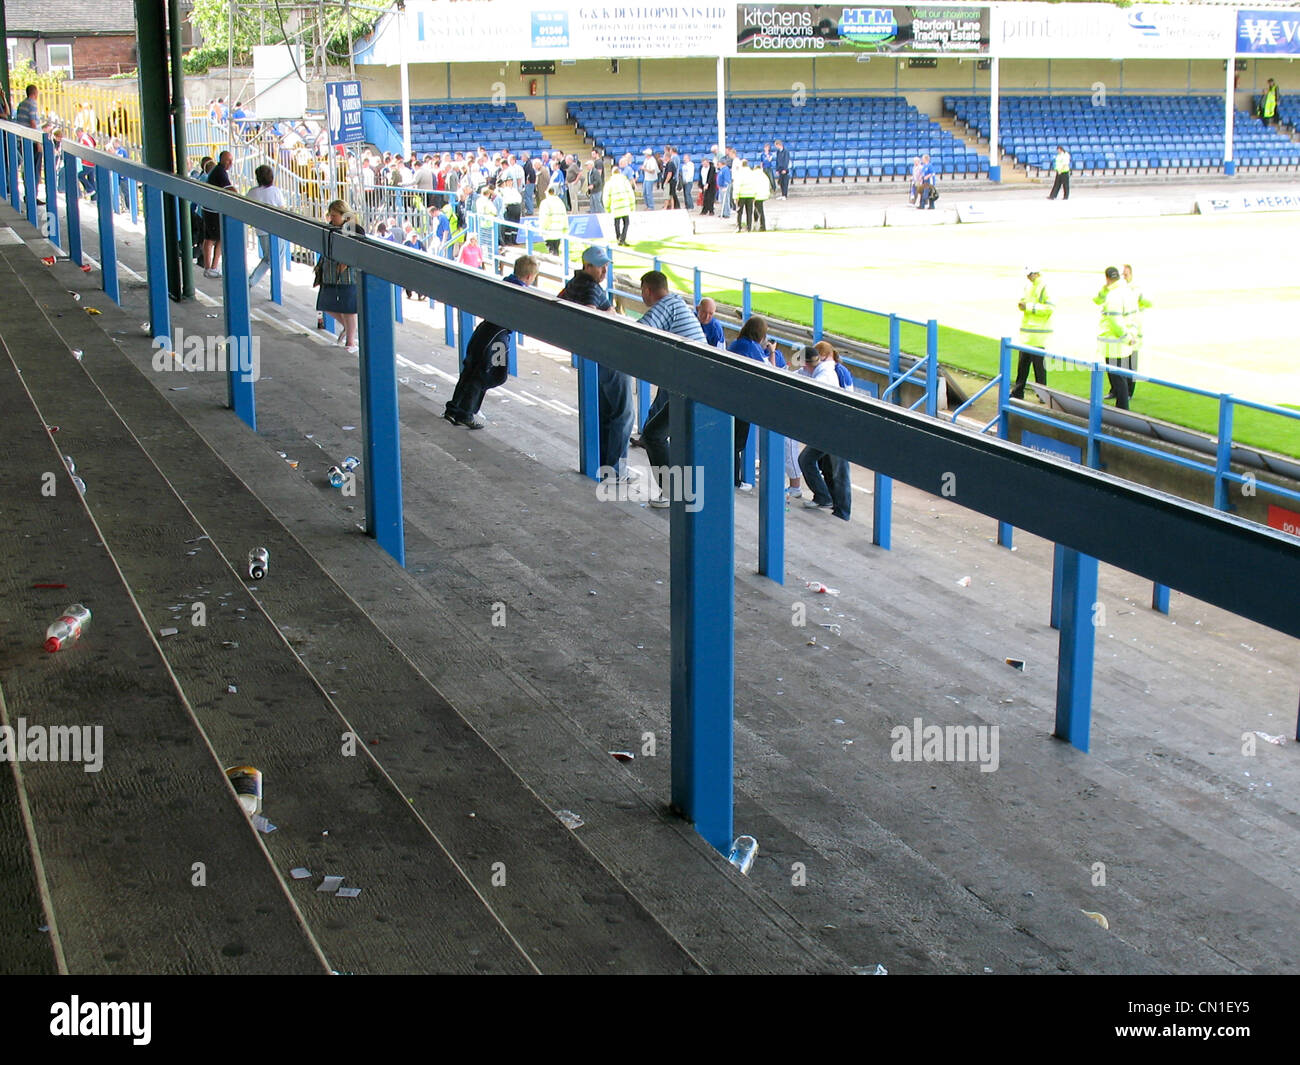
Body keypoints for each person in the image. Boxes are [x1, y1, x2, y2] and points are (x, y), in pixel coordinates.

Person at [559, 247, 636, 481]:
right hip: (607, 354)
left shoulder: (574, 283)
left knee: (606, 412)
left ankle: (605, 465)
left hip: (594, 357)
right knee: (624, 414)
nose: (604, 270)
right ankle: (615, 470)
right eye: (600, 266)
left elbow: (560, 300)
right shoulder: (590, 288)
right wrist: (611, 313)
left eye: (606, 265)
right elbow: (591, 318)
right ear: (587, 266)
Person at [443, 256, 540, 429]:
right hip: (498, 338)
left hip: (484, 332)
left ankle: (454, 408)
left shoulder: (504, 283)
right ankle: (465, 413)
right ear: (529, 277)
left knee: (471, 370)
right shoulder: (521, 292)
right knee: (494, 374)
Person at [636, 271, 707, 506]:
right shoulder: (677, 303)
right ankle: (675, 491)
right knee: (662, 434)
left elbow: (637, 333)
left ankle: (672, 493)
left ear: (647, 290)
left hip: (692, 384)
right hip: (693, 382)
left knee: (654, 435)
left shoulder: (666, 305)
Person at [727, 315, 784, 490]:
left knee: (733, 442)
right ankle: (733, 481)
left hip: (731, 398)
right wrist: (772, 352)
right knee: (736, 444)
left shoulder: (738, 344)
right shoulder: (750, 346)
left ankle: (732, 479)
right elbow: (772, 372)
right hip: (741, 402)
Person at [798, 344, 852, 521]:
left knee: (839, 471)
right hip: (826, 430)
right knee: (813, 462)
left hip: (838, 429)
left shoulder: (828, 373)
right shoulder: (818, 370)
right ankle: (826, 499)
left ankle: (841, 512)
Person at [314, 200, 363, 353]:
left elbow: (357, 249)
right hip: (330, 273)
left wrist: (346, 263)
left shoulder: (354, 229)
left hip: (347, 275)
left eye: (334, 216)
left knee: (348, 308)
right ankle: (348, 332)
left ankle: (350, 340)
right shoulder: (331, 228)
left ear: (344, 215)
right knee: (326, 304)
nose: (331, 219)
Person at [1095, 266, 1136, 410]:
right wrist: (1130, 335)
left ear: (1107, 278)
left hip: (1114, 344)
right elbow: (1133, 316)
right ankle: (1121, 409)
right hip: (1123, 343)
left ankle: (1123, 411)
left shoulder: (1113, 295)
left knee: (1118, 379)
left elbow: (1115, 321)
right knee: (1121, 378)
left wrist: (1125, 337)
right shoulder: (1127, 291)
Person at [1011, 266, 1054, 400]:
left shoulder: (1045, 287)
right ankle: (1018, 391)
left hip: (1039, 334)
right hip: (1027, 334)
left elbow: (1049, 308)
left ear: (1036, 273)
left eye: (1029, 274)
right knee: (1023, 365)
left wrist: (1028, 307)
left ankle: (1043, 395)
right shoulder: (1029, 286)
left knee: (1039, 367)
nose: (1028, 277)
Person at [245, 165, 285, 292]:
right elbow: (282, 209)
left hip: (261, 230)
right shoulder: (276, 191)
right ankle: (276, 288)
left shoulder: (252, 192)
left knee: (268, 258)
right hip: (277, 230)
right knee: (276, 259)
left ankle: (252, 281)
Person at [202, 150, 234, 278]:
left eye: (231, 160)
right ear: (221, 160)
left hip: (208, 208)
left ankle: (208, 267)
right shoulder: (220, 172)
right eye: (228, 160)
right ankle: (213, 267)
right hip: (213, 210)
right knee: (218, 238)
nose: (230, 163)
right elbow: (230, 189)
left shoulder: (217, 171)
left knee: (209, 238)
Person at [1121, 264, 1151, 399]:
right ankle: (1118, 391)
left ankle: (1129, 392)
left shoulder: (1137, 289)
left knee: (1131, 362)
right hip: (1125, 328)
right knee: (1121, 362)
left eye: (1125, 274)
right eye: (1123, 274)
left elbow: (1148, 303)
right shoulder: (1123, 288)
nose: (1124, 276)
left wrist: (1140, 301)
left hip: (1134, 329)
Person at [602, 164, 635, 246]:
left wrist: (607, 208)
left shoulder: (609, 183)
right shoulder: (625, 181)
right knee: (626, 223)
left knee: (616, 223)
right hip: (624, 206)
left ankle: (618, 238)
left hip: (615, 206)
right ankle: (623, 238)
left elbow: (606, 196)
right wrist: (632, 205)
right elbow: (630, 193)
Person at [539, 185, 568, 254]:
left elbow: (544, 218)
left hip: (549, 232)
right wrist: (565, 230)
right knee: (556, 250)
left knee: (551, 251)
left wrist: (542, 230)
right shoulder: (560, 202)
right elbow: (564, 217)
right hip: (558, 231)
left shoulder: (545, 203)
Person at [734, 160, 755, 231]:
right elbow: (755, 184)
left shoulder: (739, 173)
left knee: (739, 212)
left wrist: (735, 197)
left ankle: (738, 227)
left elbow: (737, 186)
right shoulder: (752, 173)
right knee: (749, 212)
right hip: (750, 195)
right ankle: (749, 227)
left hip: (741, 195)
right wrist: (754, 195)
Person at [751, 163, 770, 232]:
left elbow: (752, 185)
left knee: (760, 211)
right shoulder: (764, 175)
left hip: (757, 194)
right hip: (764, 194)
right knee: (757, 209)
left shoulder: (753, 175)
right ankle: (757, 224)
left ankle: (762, 226)